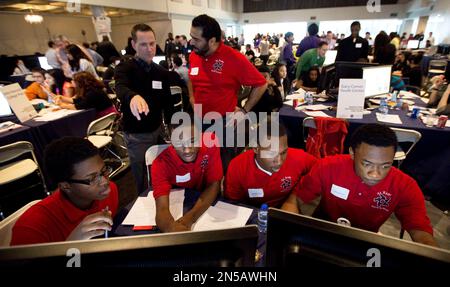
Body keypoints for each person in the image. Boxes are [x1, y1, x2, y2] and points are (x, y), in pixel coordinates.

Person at [295, 124, 438, 247]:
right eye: (367, 164)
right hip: (322, 233)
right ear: (352, 153)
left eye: (385, 166)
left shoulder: (405, 185)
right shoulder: (328, 166)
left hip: (365, 239)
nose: (375, 174)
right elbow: (296, 198)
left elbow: (419, 229)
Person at [188, 14, 267, 170]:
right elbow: (192, 77)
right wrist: (191, 97)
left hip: (223, 124)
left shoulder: (234, 58)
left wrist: (244, 110)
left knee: (224, 166)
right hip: (198, 120)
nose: (191, 42)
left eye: (196, 39)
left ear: (211, 41)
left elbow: (261, 83)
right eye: (191, 37)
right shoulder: (194, 55)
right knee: (203, 164)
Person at [10, 137, 118, 245]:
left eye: (104, 170)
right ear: (65, 186)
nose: (105, 181)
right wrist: (68, 246)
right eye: (92, 179)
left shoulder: (108, 191)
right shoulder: (32, 227)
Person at [114, 23, 174, 194]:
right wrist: (132, 96)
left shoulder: (161, 72)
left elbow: (168, 104)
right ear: (134, 45)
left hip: (159, 131)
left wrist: (173, 128)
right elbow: (121, 88)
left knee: (163, 170)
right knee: (142, 175)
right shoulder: (125, 68)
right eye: (143, 44)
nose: (149, 48)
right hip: (137, 135)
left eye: (152, 43)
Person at [225, 120, 316, 212]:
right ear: (256, 149)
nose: (279, 161)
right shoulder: (237, 166)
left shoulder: (299, 158)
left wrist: (294, 194)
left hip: (283, 208)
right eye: (271, 153)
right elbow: (233, 204)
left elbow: (321, 170)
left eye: (284, 152)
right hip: (250, 210)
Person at [152, 115, 223, 232]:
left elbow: (214, 184)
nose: (188, 150)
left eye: (192, 141)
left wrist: (190, 218)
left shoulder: (211, 142)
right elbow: (162, 209)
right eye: (179, 143)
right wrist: (172, 228)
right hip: (179, 204)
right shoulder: (160, 164)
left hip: (204, 202)